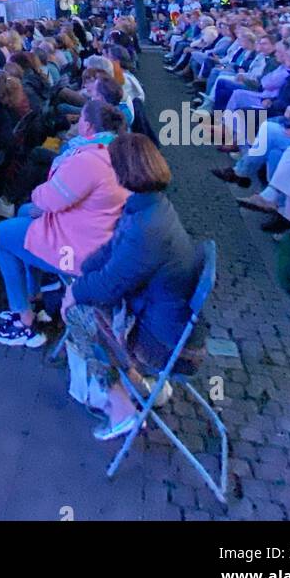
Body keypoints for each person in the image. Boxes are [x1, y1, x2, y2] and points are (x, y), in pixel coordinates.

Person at [62, 133, 201, 441]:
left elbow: (111, 285)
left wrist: (76, 291)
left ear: (124, 171)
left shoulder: (147, 226)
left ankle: (121, 407)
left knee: (78, 315)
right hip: (165, 323)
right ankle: (132, 384)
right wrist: (84, 272)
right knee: (83, 296)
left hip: (162, 344)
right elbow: (112, 250)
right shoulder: (149, 206)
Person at [0, 108, 128, 347]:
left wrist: (36, 194)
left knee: (2, 234)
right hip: (98, 234)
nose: (78, 122)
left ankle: (24, 320)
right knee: (24, 213)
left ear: (89, 127)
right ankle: (35, 295)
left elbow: (46, 198)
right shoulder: (116, 151)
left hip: (77, 252)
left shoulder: (90, 160)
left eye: (82, 117)